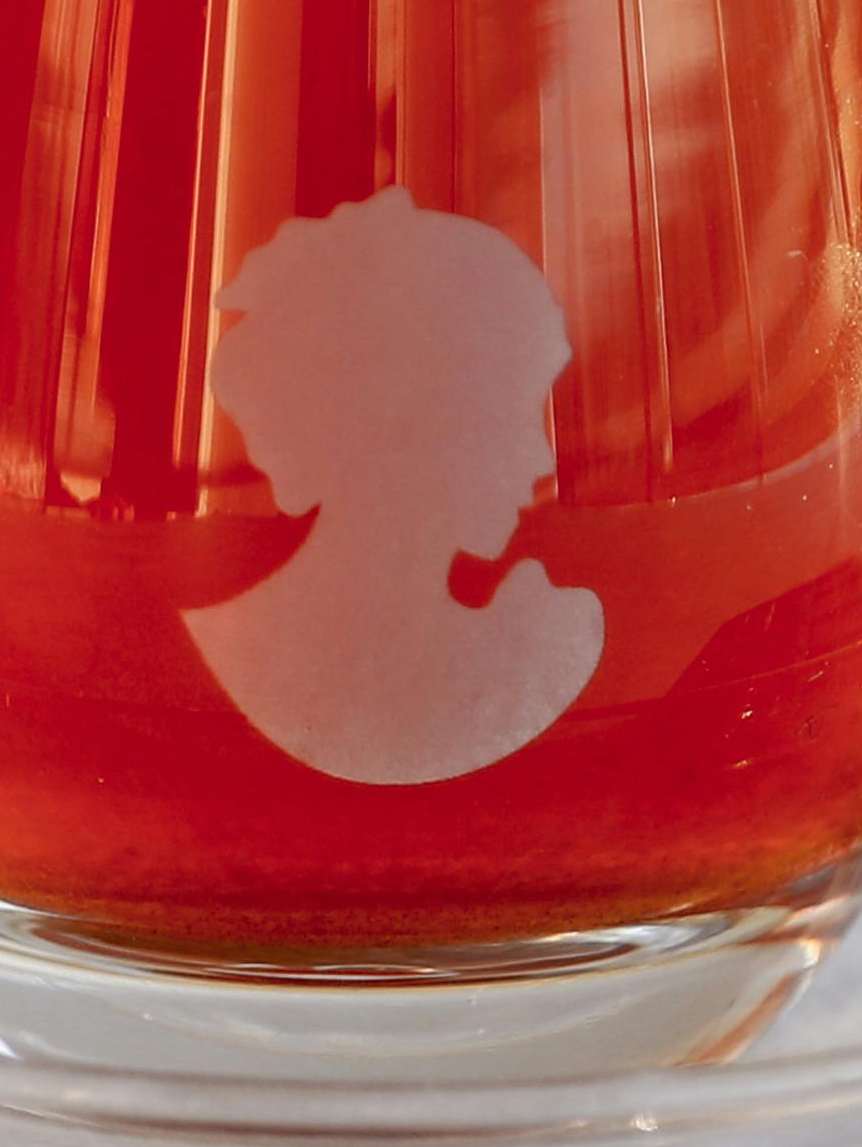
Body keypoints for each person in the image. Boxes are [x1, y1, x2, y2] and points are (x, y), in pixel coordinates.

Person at [181, 187, 605, 786]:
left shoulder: (523, 635)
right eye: (510, 409)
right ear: (382, 418)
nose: (541, 459)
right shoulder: (516, 645)